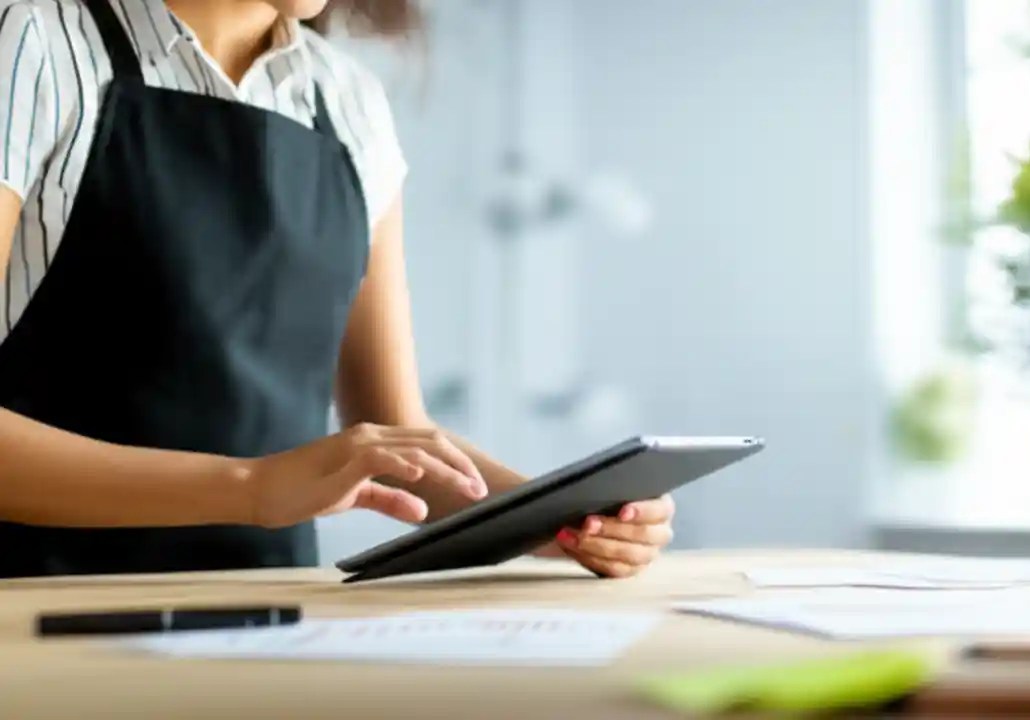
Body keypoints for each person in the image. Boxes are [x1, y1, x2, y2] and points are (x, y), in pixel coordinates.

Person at [0, 0, 674, 579]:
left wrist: (565, 520)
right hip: (40, 607)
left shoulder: (348, 100)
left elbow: (397, 435)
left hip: (268, 617)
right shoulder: (32, 44)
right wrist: (253, 487)